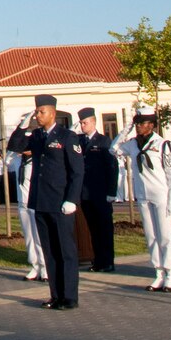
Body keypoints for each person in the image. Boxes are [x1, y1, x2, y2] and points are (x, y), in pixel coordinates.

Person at [7, 94, 84, 311]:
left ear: (52, 113)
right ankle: (56, 295)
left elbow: (77, 172)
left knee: (65, 251)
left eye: (41, 112)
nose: (38, 115)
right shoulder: (38, 136)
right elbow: (15, 146)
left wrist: (71, 200)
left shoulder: (67, 136)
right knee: (49, 251)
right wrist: (23, 125)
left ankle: (69, 297)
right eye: (36, 112)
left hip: (60, 202)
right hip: (41, 201)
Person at [111, 106, 171, 292]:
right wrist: (125, 129)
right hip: (142, 195)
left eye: (141, 123)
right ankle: (158, 273)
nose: (138, 127)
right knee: (151, 236)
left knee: (165, 236)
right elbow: (113, 149)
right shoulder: (133, 144)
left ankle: (170, 274)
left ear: (152, 125)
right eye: (137, 123)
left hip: (161, 195)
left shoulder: (162, 144)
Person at [76, 107, 119, 272]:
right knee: (93, 228)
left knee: (104, 228)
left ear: (93, 122)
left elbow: (112, 168)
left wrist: (111, 191)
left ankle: (108, 261)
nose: (82, 126)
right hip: (85, 193)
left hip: (101, 192)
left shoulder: (104, 141)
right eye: (80, 123)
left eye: (85, 122)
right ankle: (97, 260)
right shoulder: (80, 141)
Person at [6, 147, 46, 281]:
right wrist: (15, 147)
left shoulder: (38, 159)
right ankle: (34, 265)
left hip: (35, 201)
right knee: (29, 237)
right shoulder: (18, 159)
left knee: (39, 236)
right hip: (22, 202)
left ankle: (44, 266)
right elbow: (6, 160)